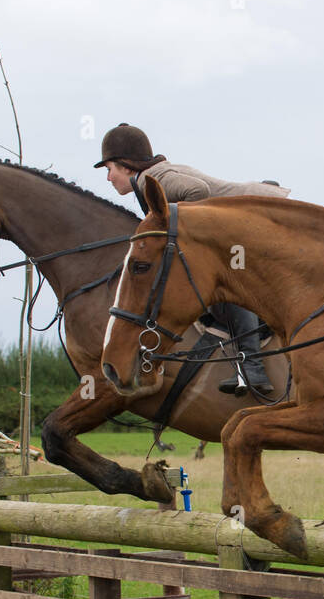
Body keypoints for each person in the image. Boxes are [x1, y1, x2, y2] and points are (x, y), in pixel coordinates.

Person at [96, 123, 289, 395]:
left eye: (109, 169)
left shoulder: (154, 180)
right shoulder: (150, 180)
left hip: (260, 218)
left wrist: (180, 232)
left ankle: (252, 367)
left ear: (126, 166)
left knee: (227, 289)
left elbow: (197, 191)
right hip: (248, 220)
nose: (108, 178)